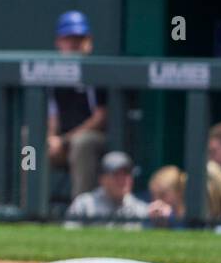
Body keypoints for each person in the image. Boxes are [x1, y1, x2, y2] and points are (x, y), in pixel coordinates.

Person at [48, 11, 108, 199]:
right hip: (61, 144)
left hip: (93, 141)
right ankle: (31, 204)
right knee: (30, 145)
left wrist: (64, 140)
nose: (73, 44)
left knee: (81, 143)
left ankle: (80, 211)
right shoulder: (52, 74)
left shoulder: (95, 71)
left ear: (88, 41)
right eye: (69, 39)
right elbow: (53, 116)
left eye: (79, 38)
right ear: (59, 42)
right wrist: (51, 138)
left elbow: (100, 117)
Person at [66, 151, 149, 223]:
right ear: (102, 179)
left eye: (127, 174)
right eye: (116, 175)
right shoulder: (85, 204)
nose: (123, 180)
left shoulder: (140, 209)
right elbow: (69, 235)